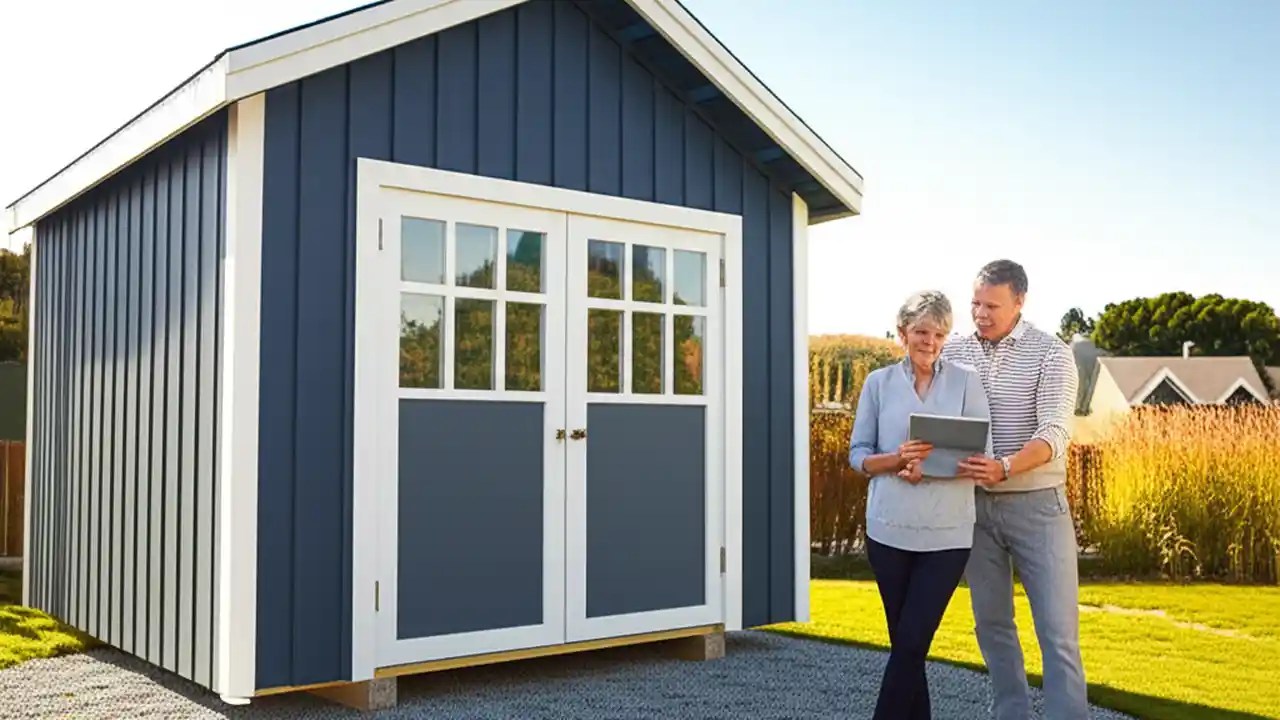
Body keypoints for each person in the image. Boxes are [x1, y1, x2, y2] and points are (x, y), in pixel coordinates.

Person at [940, 259, 1087, 720]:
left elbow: (1055, 430)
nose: (980, 313)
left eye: (991, 305)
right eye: (975, 303)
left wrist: (1004, 467)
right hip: (973, 508)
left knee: (1057, 629)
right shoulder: (954, 351)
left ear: (1020, 301)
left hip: (1038, 506)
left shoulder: (1050, 353)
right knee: (991, 624)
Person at [848, 290, 992, 720]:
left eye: (939, 333)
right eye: (922, 331)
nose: (930, 341)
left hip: (947, 537)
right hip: (888, 531)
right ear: (903, 333)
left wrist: (927, 469)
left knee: (911, 644)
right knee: (908, 650)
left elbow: (981, 455)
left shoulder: (966, 382)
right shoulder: (879, 383)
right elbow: (858, 456)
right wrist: (898, 460)